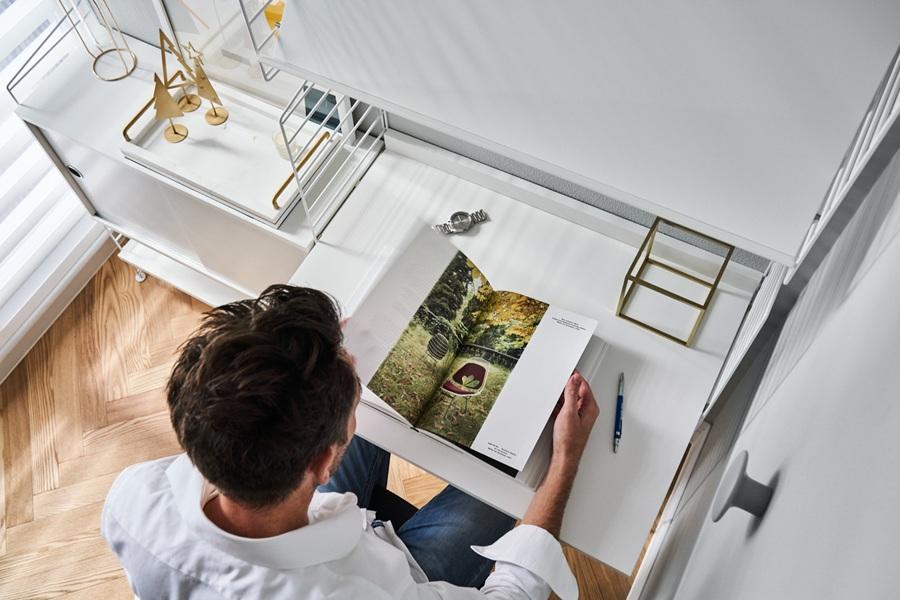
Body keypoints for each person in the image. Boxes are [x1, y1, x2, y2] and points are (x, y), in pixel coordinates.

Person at [102, 285, 599, 599]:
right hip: (399, 576)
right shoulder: (355, 592)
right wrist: (564, 462)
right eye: (351, 410)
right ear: (323, 462)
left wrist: (309, 356)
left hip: (299, 523)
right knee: (506, 484)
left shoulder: (132, 496)